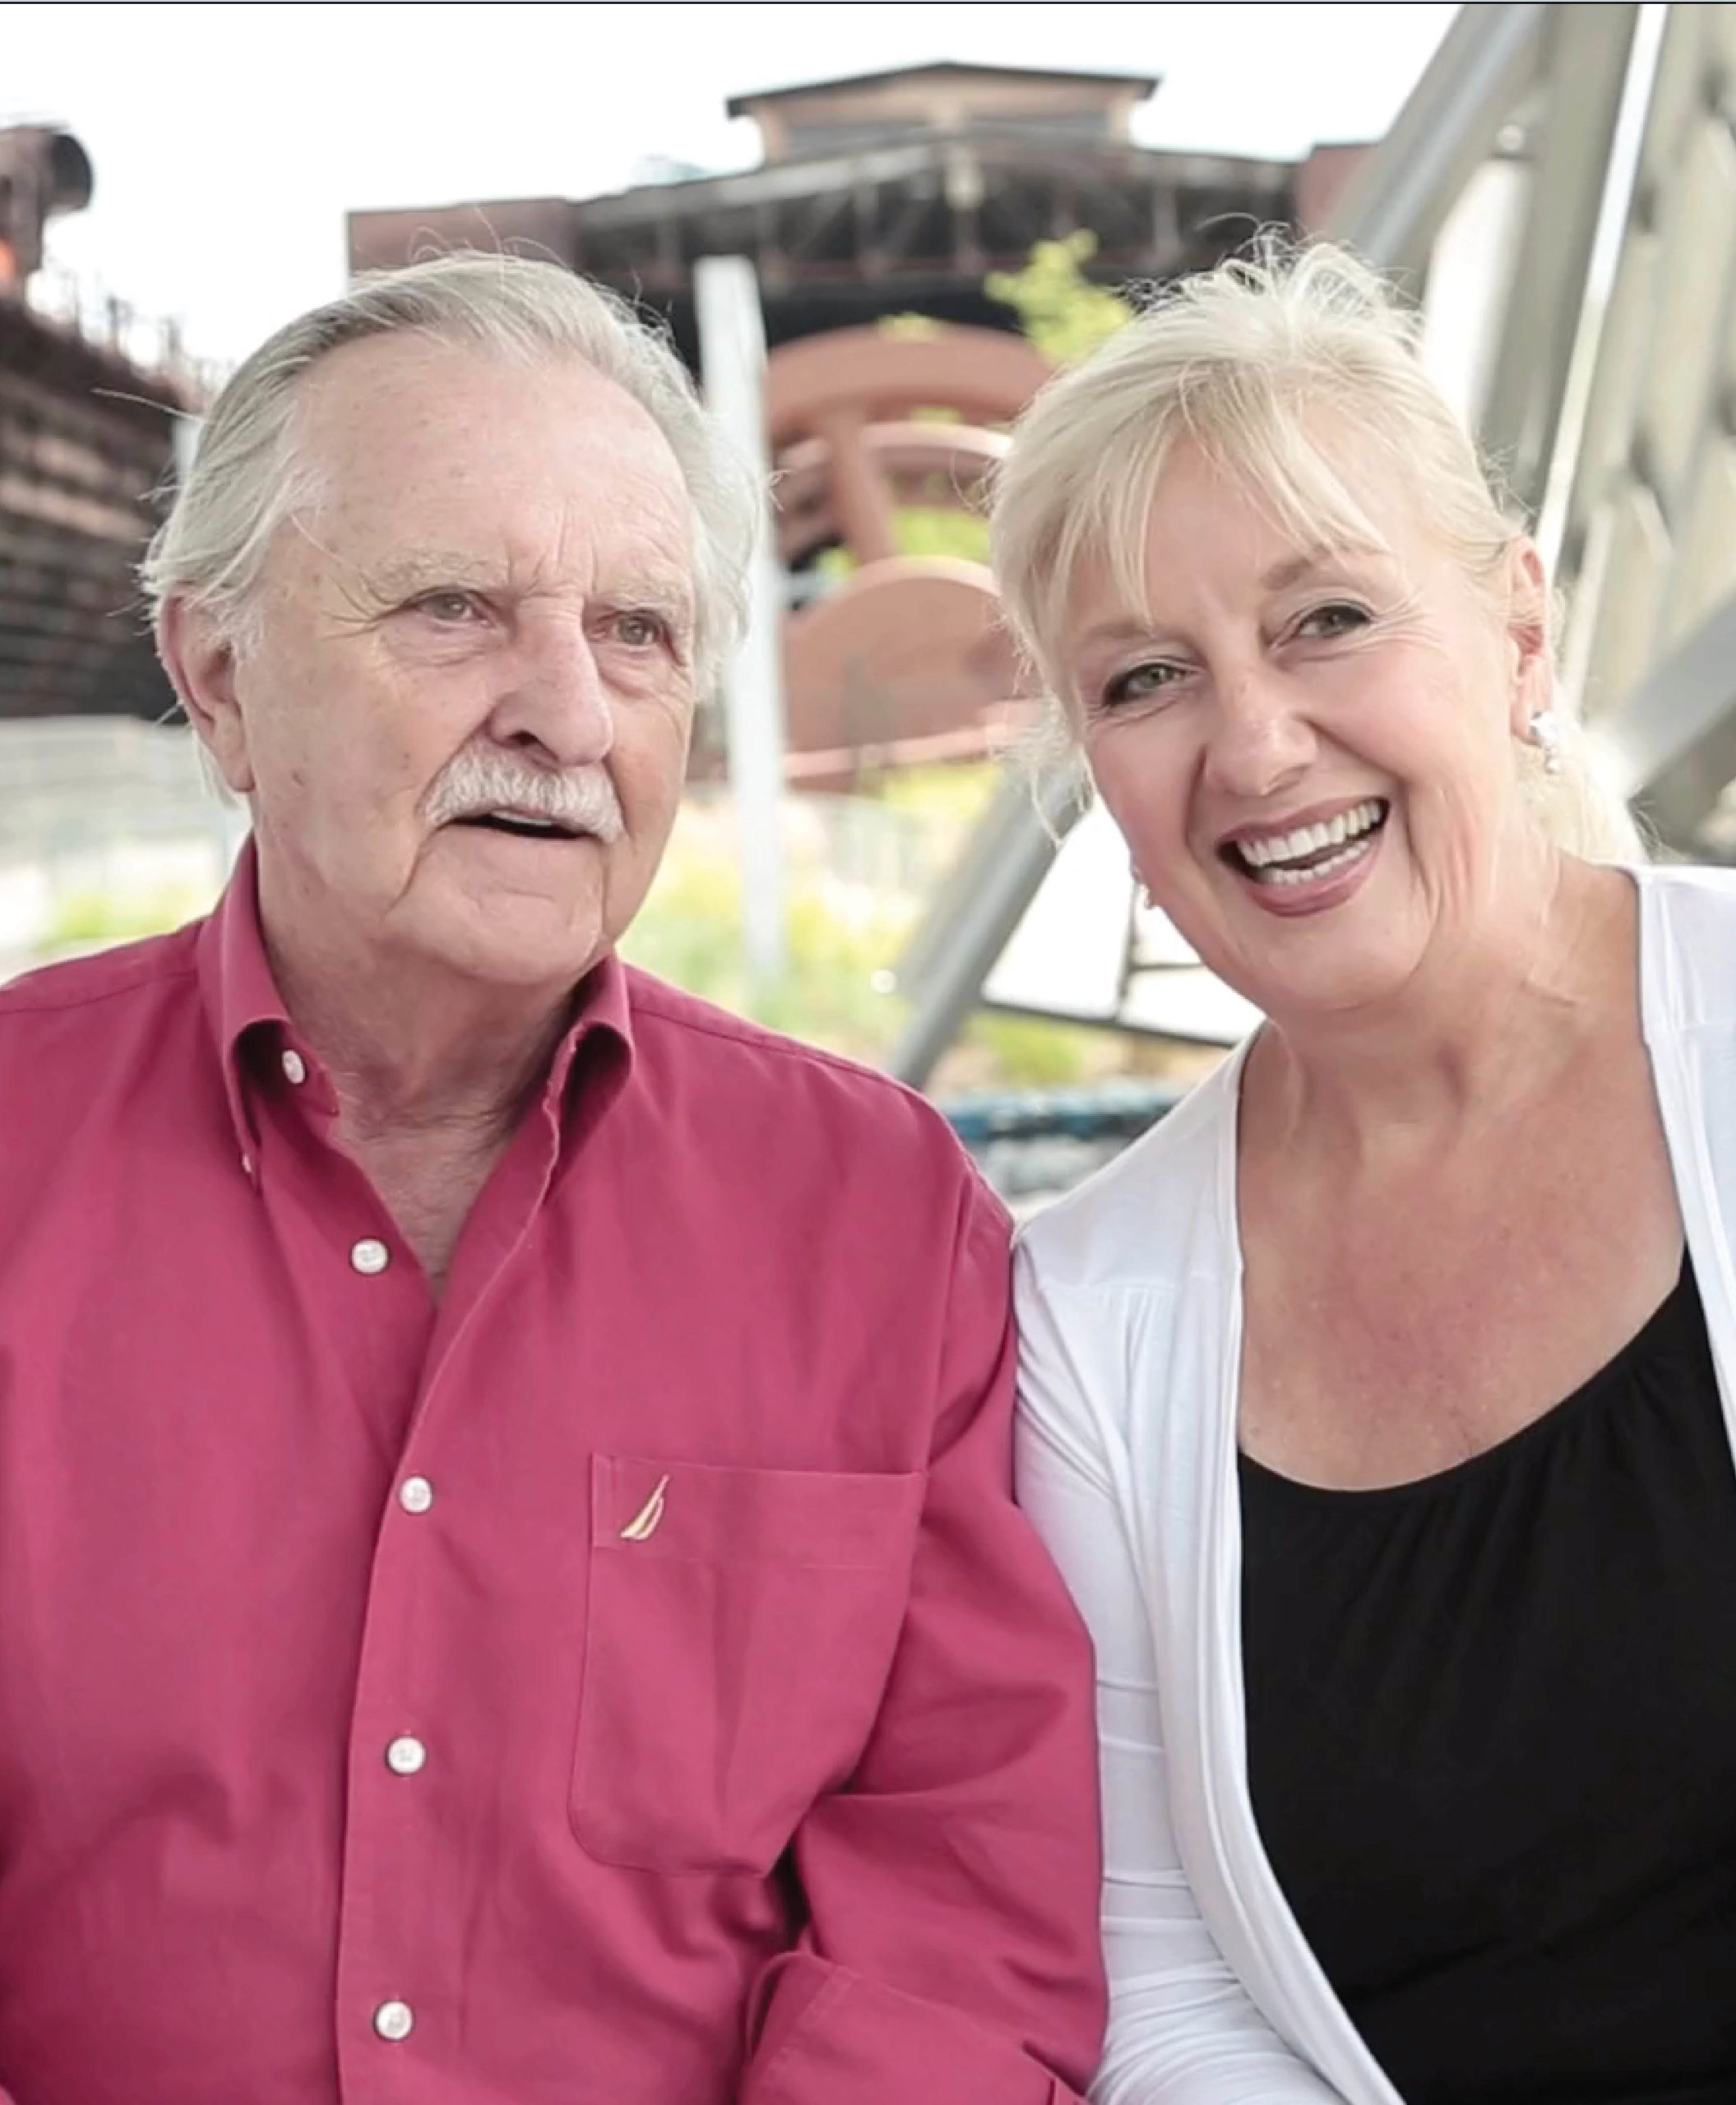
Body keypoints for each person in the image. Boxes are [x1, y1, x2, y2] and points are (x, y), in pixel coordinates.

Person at [0, 253, 1106, 2104]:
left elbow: (960, 1920)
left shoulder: (878, 1219)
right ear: (219, 676)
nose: (569, 714)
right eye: (453, 609)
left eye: (638, 632)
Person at [995, 239, 1736, 2105]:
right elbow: (1165, 1979)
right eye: (1147, 677)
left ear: (1519, 636)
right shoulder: (1089, 1313)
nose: (1256, 746)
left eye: (1327, 618)